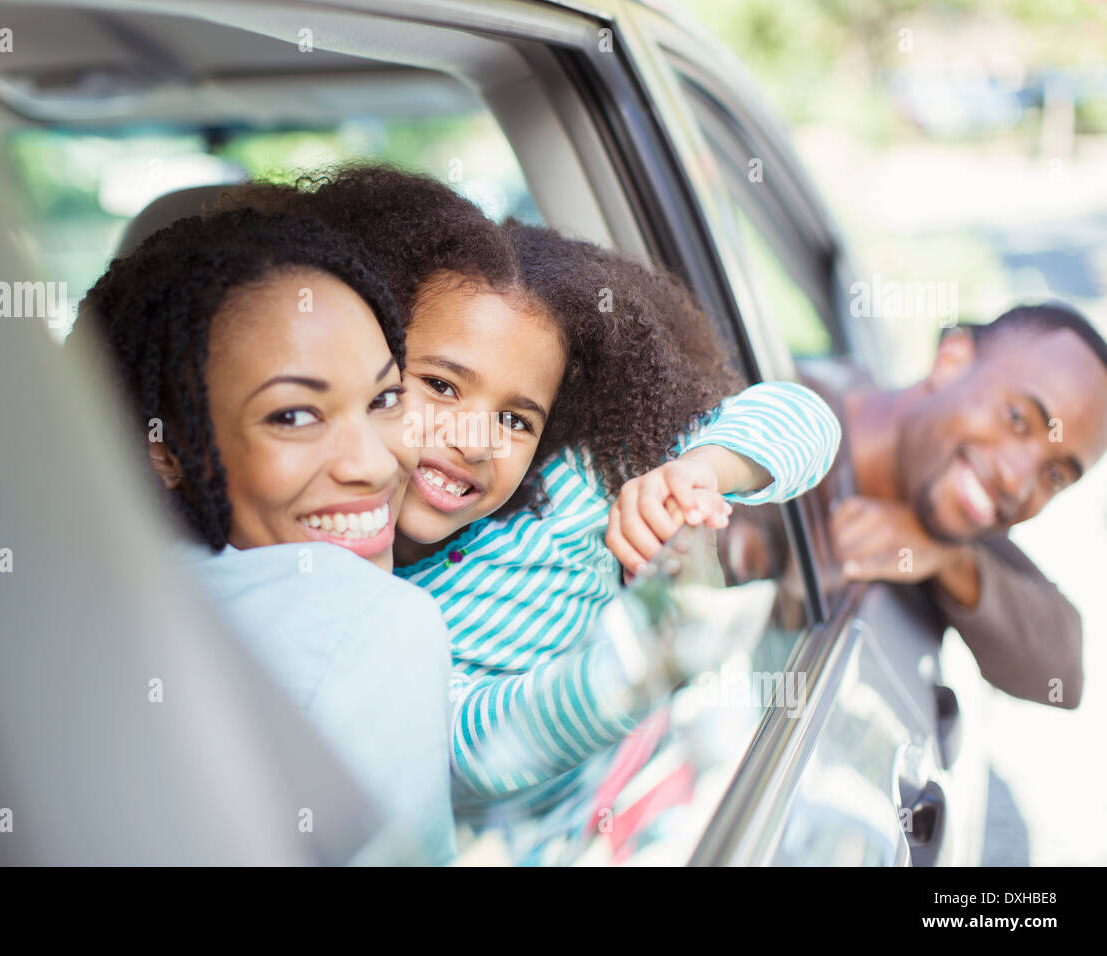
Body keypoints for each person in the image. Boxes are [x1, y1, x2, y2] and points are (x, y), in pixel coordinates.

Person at [230, 166, 841, 817]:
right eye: (440, 385)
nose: (475, 441)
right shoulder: (304, 565)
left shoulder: (584, 484)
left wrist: (704, 472)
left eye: (516, 419)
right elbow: (467, 746)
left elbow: (809, 422)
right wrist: (621, 675)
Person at [74, 208, 457, 863]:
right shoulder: (370, 626)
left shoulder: (73, 609)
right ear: (164, 450)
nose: (371, 463)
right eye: (294, 416)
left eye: (385, 399)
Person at [802, 303, 1107, 709]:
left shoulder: (953, 533)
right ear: (952, 360)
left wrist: (950, 563)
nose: (1016, 481)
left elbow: (1060, 672)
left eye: (1054, 475)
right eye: (1017, 418)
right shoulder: (771, 414)